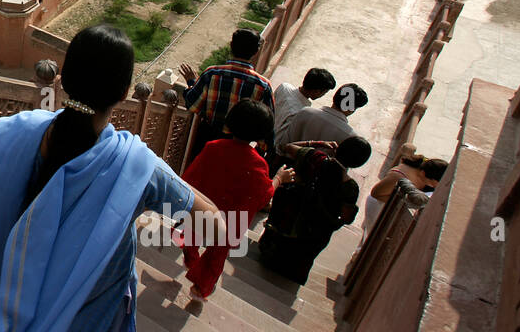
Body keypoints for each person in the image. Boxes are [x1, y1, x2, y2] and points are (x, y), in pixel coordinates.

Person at [0, 24, 224, 332]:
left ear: (62, 78)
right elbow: (215, 227)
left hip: (7, 297)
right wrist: (141, 196)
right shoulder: (135, 167)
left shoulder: (12, 131)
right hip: (78, 322)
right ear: (126, 93)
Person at [176, 99, 295, 301]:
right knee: (216, 255)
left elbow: (190, 177)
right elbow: (263, 196)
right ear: (262, 134)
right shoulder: (258, 163)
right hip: (230, 221)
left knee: (190, 235)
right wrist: (278, 180)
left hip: (201, 208)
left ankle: (190, 258)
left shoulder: (213, 147)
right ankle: (199, 288)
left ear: (229, 123)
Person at [258, 135, 372, 284]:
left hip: (285, 226)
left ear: (340, 148)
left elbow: (288, 147)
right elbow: (345, 218)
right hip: (310, 240)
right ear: (359, 163)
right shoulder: (350, 188)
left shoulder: (315, 157)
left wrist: (318, 143)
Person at [178, 29, 274, 162]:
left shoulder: (212, 73)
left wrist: (191, 83)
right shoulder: (263, 86)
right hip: (239, 150)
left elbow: (192, 104)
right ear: (256, 52)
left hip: (207, 141)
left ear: (231, 45)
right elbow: (267, 129)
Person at [362, 150, 447, 236]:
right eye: (432, 183)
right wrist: (402, 203)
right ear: (423, 173)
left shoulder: (425, 170)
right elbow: (375, 193)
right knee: (371, 235)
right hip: (378, 206)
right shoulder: (398, 176)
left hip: (390, 208)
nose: (433, 186)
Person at [277, 83, 368, 152]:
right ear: (351, 109)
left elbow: (283, 145)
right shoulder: (350, 137)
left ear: (335, 97)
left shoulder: (306, 112)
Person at [272, 68, 337, 148]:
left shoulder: (284, 87)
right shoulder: (300, 113)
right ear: (316, 91)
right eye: (324, 93)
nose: (322, 95)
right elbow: (280, 143)